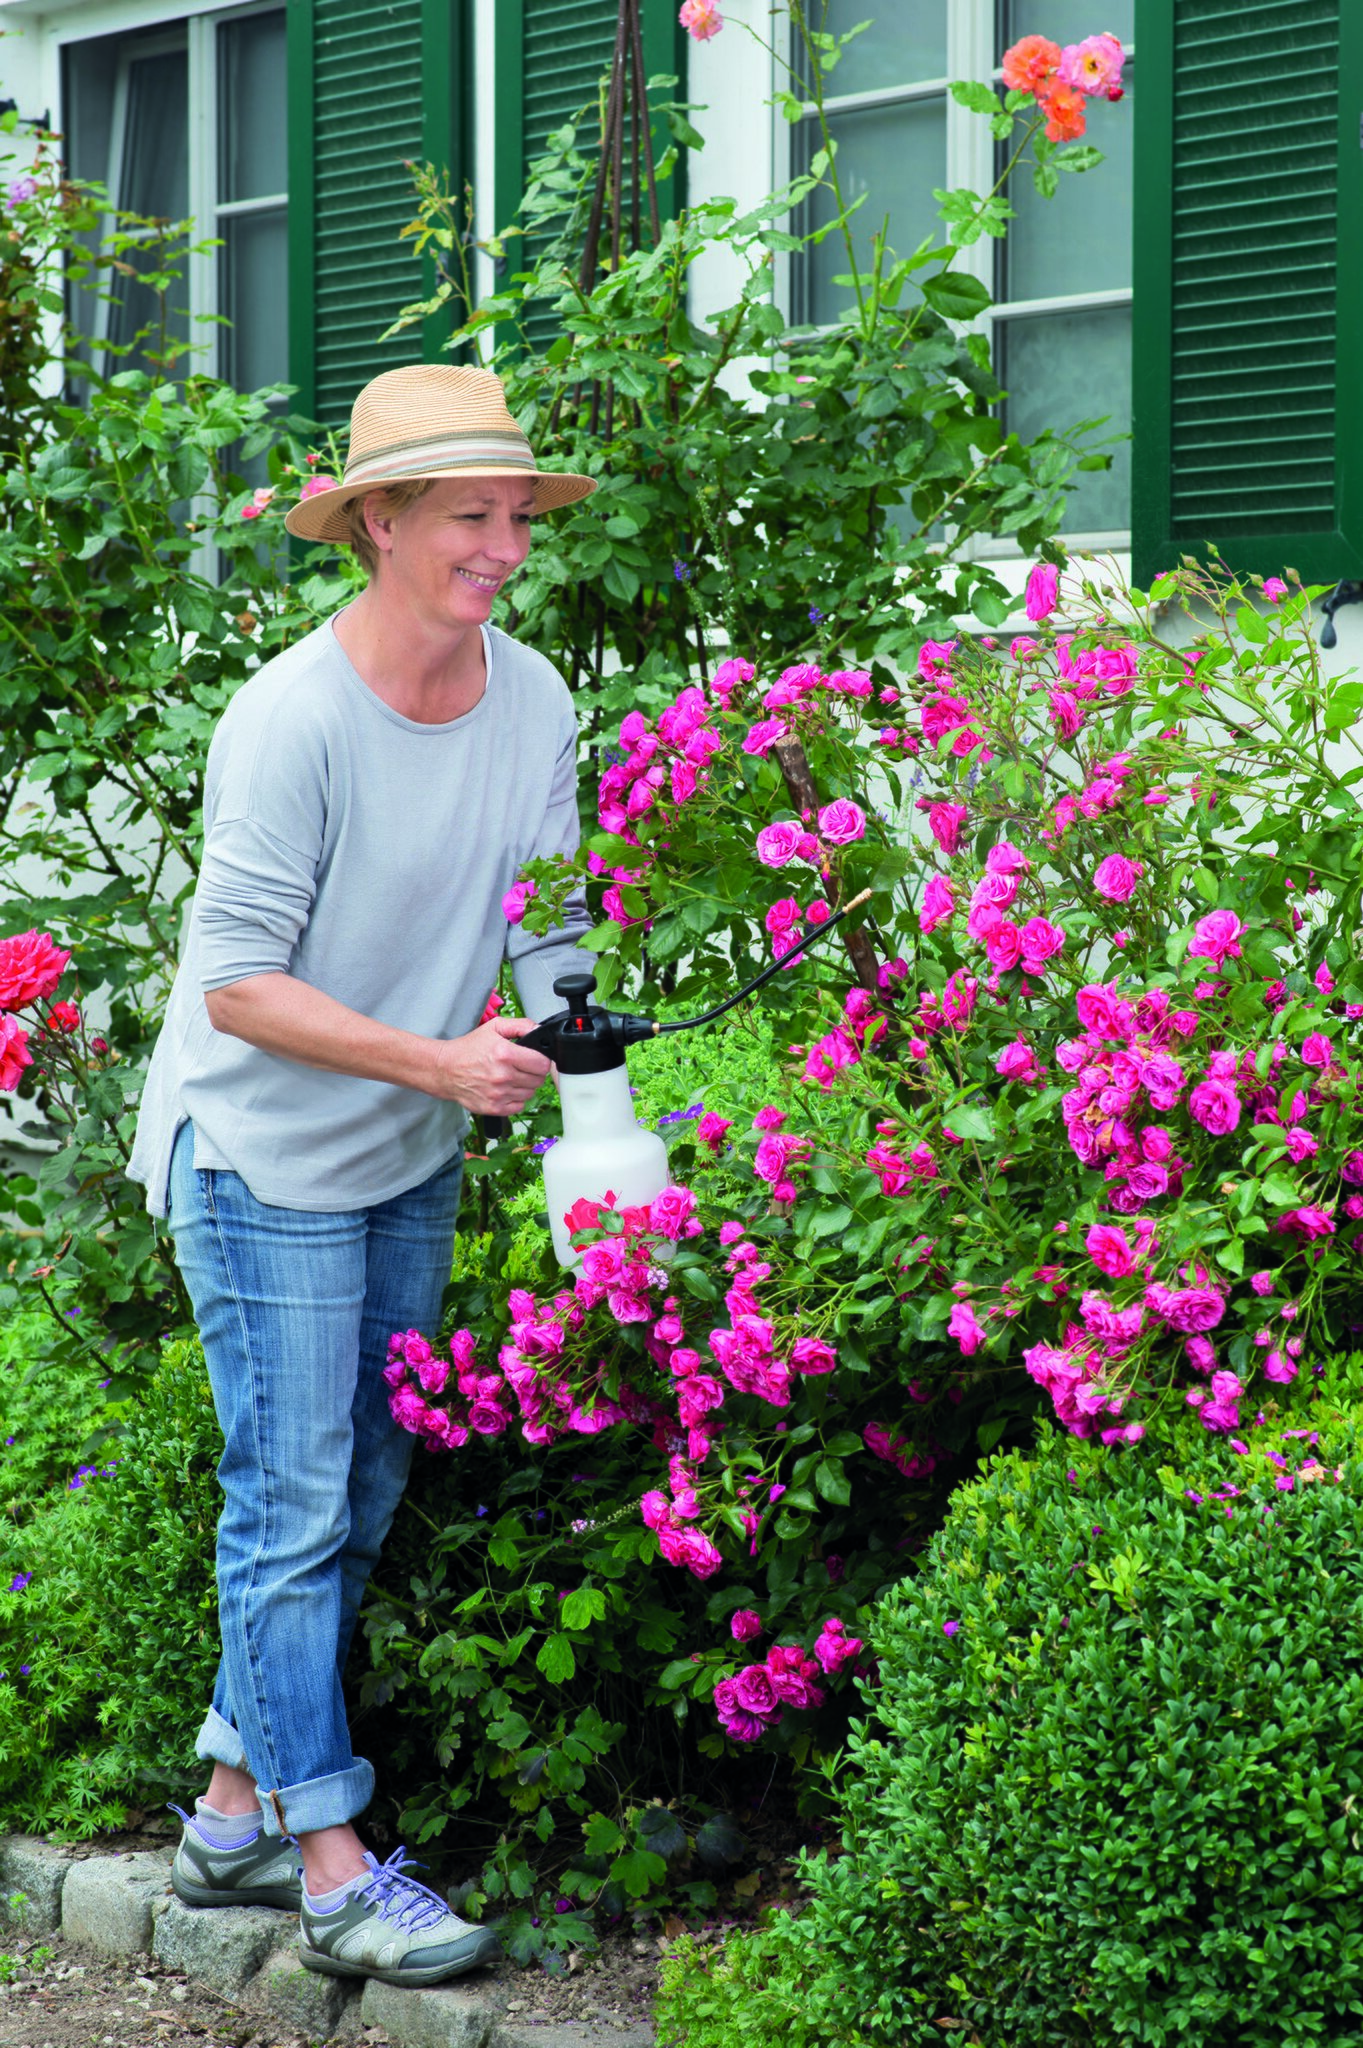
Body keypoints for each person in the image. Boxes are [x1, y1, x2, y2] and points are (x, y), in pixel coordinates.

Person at [127, 363, 596, 1986]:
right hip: (261, 1152)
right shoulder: (293, 720)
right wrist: (442, 1063)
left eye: (516, 515)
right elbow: (235, 988)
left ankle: (228, 1817)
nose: (504, 547)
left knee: (365, 1487)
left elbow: (549, 922)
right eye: (469, 515)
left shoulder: (533, 700)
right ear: (379, 522)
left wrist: (587, 1082)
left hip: (402, 1148)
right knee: (293, 1501)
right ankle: (331, 1873)